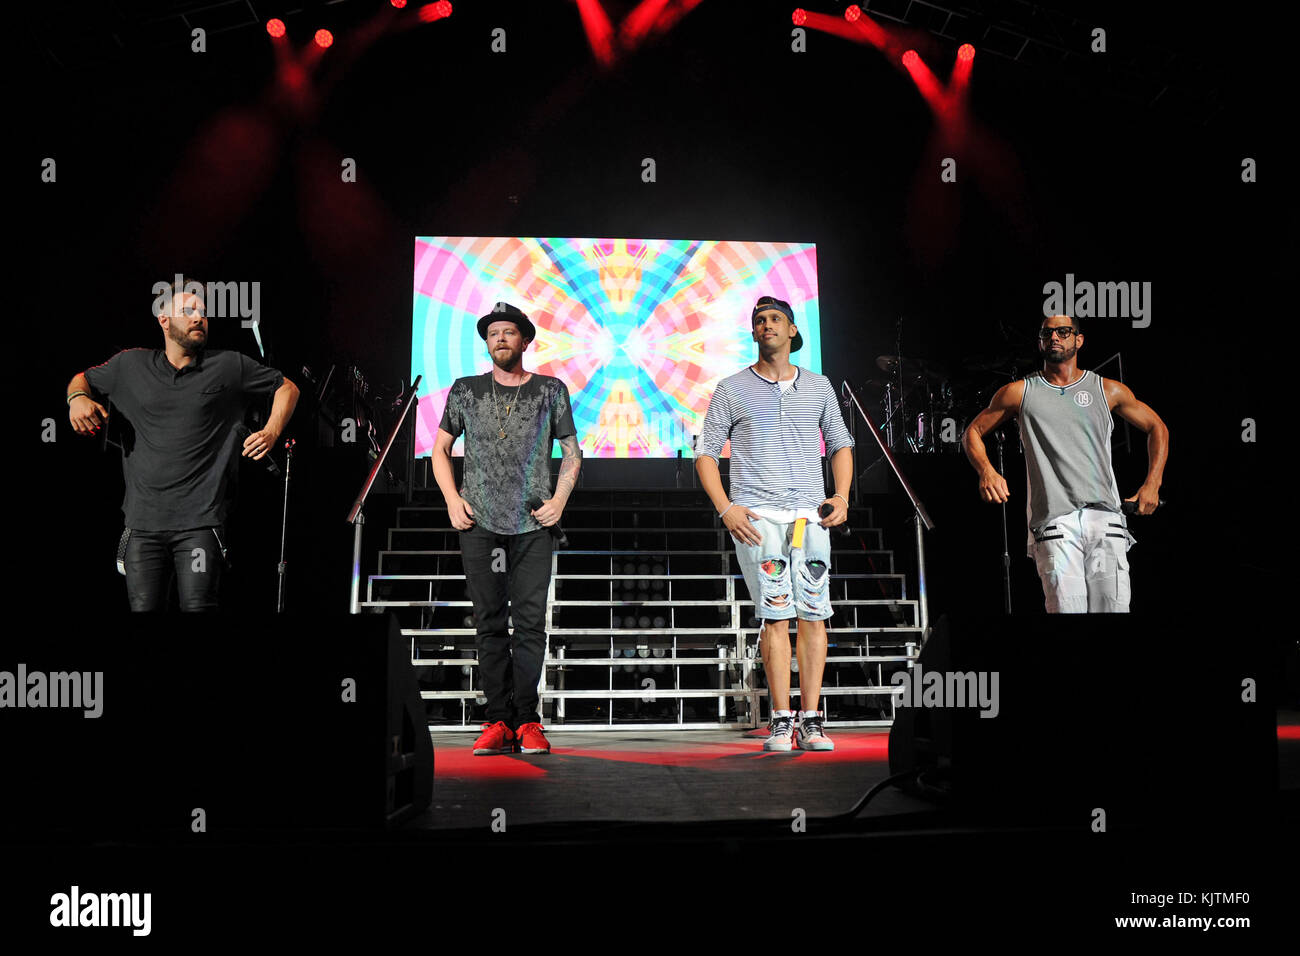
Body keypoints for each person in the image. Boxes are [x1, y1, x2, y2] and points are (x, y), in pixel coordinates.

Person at [67, 278, 299, 611]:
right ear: (164, 320)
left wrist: (272, 430)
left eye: (203, 313)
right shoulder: (130, 365)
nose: (198, 318)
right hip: (142, 527)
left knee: (199, 606)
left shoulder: (229, 366)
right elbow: (83, 380)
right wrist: (77, 399)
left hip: (200, 526)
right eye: (188, 311)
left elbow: (287, 387)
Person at [696, 295, 854, 752]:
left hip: (809, 515)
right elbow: (706, 454)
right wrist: (726, 508)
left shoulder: (820, 387)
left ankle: (812, 719)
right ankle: (781, 719)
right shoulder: (731, 388)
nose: (766, 325)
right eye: (759, 320)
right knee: (775, 615)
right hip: (758, 517)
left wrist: (841, 495)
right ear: (753, 333)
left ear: (792, 332)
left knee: (813, 614)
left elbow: (841, 444)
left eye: (775, 319)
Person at [431, 302, 582, 756]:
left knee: (531, 624)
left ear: (524, 339)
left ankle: (529, 721)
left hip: (533, 521)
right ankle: (497, 719)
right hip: (478, 522)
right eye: (493, 332)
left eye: (509, 332)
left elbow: (572, 452)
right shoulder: (465, 390)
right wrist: (452, 500)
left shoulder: (550, 390)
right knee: (490, 624)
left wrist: (558, 502)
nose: (500, 338)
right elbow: (440, 450)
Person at [962, 313, 1168, 613]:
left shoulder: (1106, 389)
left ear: (1079, 339)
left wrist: (1153, 484)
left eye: (1063, 331)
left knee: (1113, 608)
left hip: (1105, 516)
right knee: (1064, 609)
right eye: (1047, 333)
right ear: (1040, 341)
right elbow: (973, 432)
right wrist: (986, 471)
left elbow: (1157, 427)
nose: (1054, 337)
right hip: (1054, 520)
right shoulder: (1020, 392)